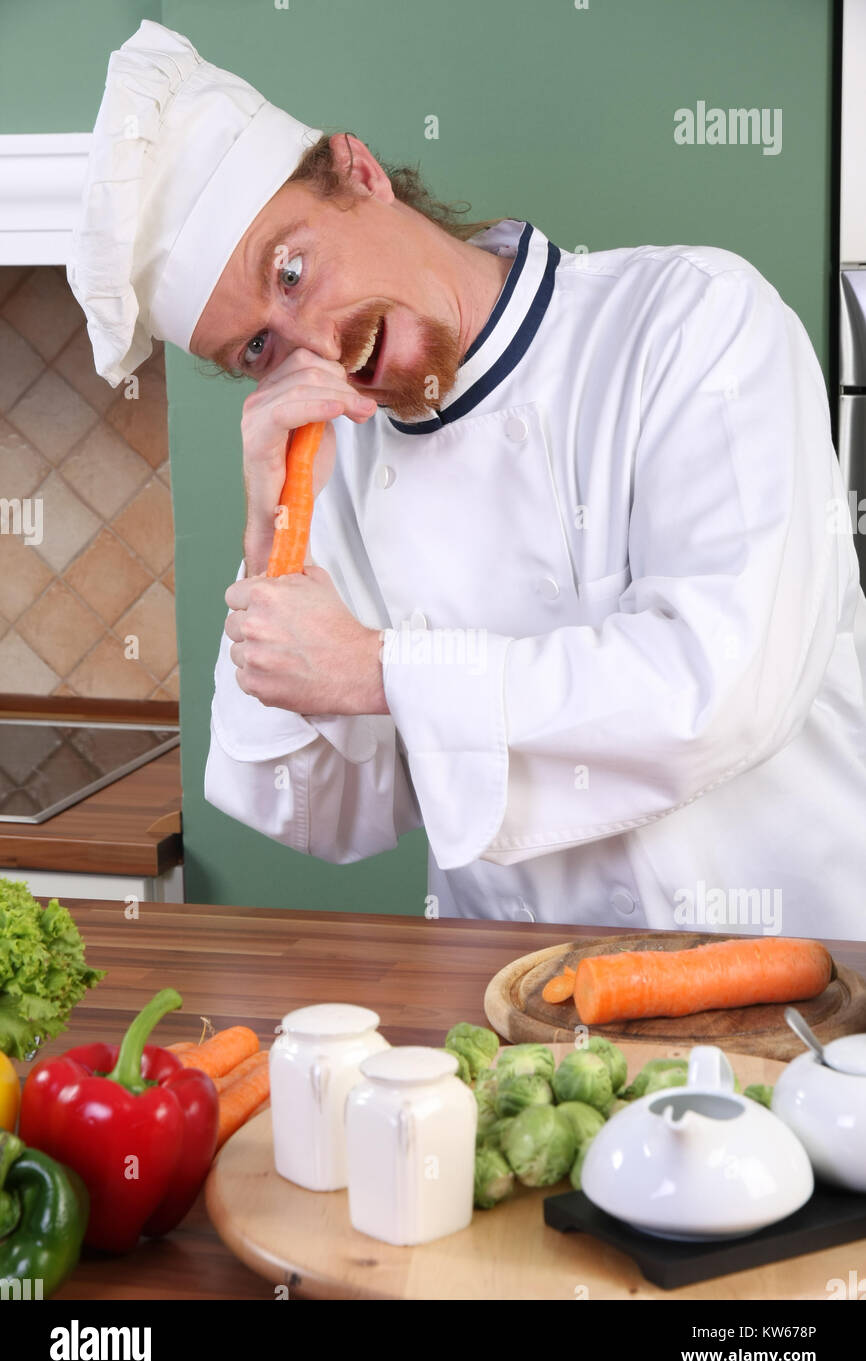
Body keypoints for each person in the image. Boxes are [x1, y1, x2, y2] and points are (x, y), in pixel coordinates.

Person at [70, 21, 866, 939]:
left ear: (358, 173)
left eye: (292, 271)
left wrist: (381, 670)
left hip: (805, 990)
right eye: (258, 348)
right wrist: (269, 540)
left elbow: (721, 689)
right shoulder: (337, 465)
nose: (318, 348)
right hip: (523, 1021)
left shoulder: (695, 320)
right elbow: (306, 810)